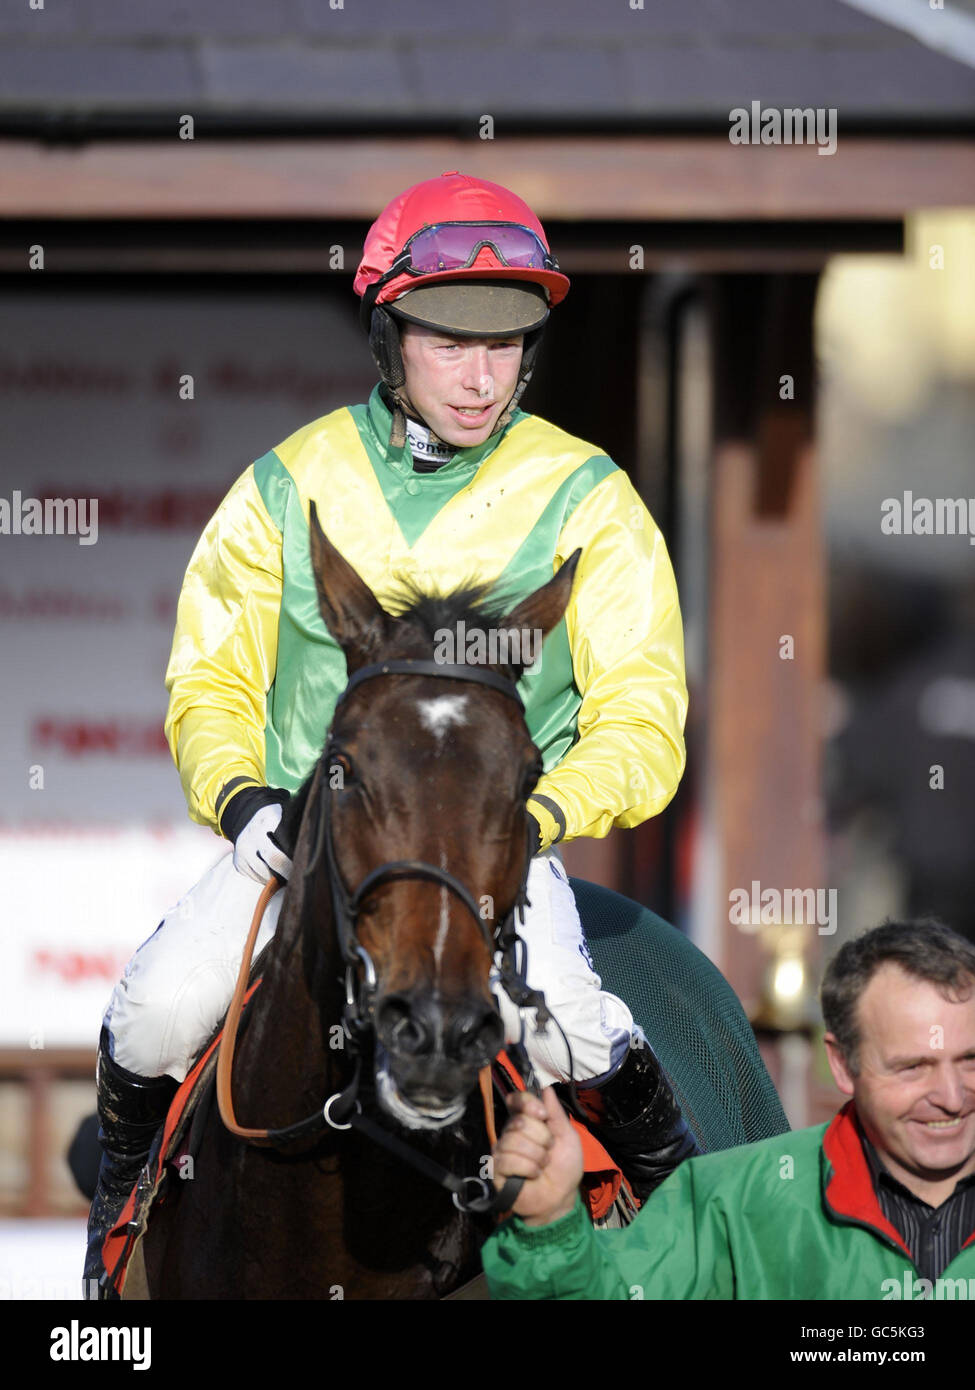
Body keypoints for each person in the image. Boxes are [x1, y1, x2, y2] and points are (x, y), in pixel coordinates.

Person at [84, 171, 696, 1296]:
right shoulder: (286, 484)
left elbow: (644, 717)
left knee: (580, 1036)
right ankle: (117, 1246)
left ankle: (681, 1223)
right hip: (304, 841)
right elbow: (210, 678)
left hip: (500, 846)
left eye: (507, 344)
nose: (480, 374)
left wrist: (536, 815)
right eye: (448, 342)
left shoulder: (590, 496)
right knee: (154, 1011)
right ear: (389, 336)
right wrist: (244, 800)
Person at [483, 918, 975, 1300]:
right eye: (913, 1068)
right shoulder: (730, 1202)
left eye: (970, 1061)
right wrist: (549, 1227)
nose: (951, 1098)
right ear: (843, 1065)